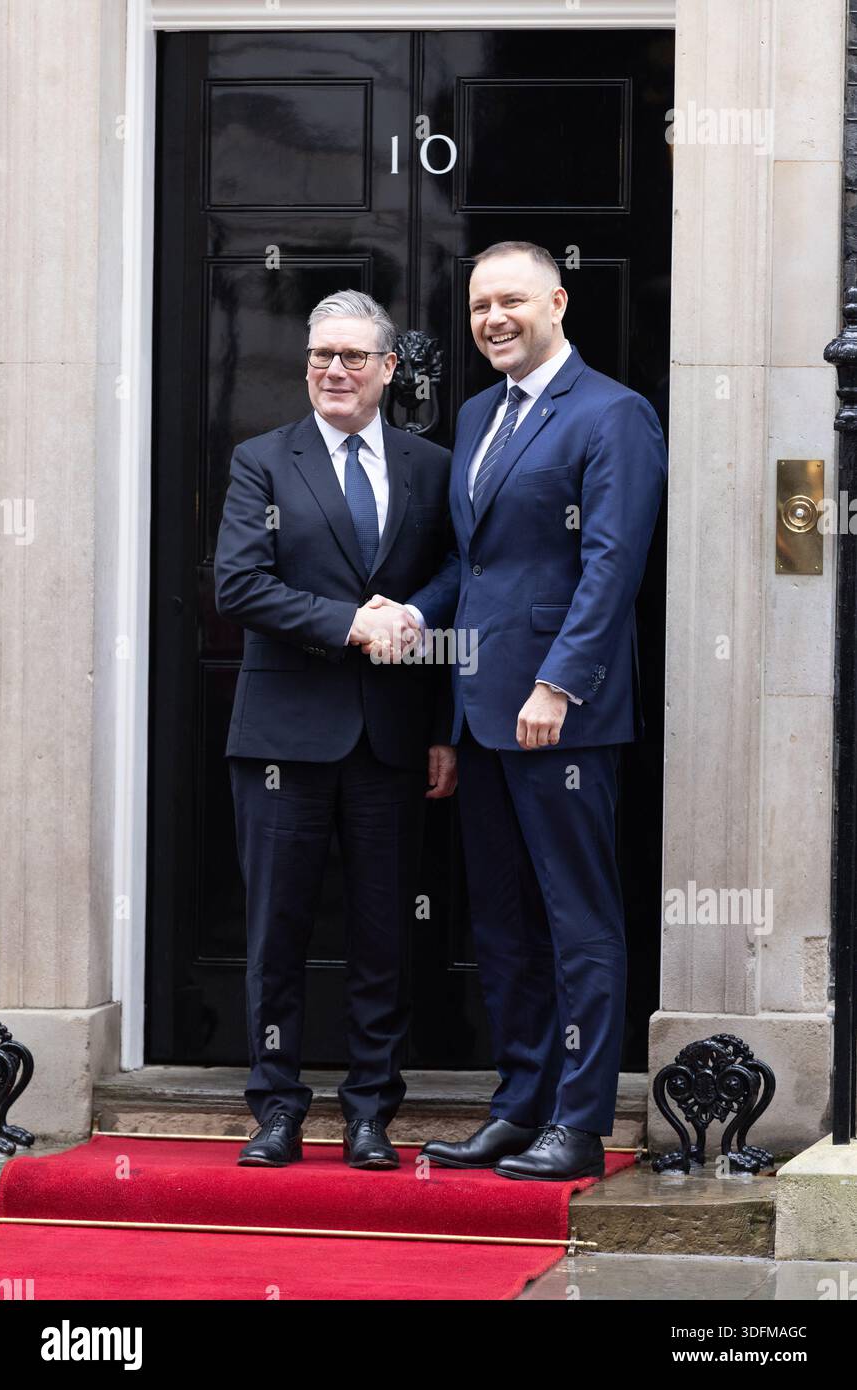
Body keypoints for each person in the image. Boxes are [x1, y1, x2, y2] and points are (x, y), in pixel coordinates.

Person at [405, 241, 667, 1180]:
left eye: (511, 300)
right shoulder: (477, 416)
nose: (493, 320)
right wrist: (418, 631)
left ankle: (581, 1119)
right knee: (505, 922)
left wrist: (558, 683)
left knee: (577, 916)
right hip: (480, 715)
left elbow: (611, 565)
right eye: (480, 306)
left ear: (558, 301)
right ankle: (519, 1107)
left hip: (565, 716)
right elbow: (470, 575)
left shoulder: (614, 414)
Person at [214, 289, 457, 1171]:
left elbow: (455, 576)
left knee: (384, 932)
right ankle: (275, 1107)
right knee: (277, 930)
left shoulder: (428, 467)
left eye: (354, 357)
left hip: (392, 740)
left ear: (388, 370)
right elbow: (238, 586)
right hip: (283, 740)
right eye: (322, 356)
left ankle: (369, 1112)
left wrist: (428, 668)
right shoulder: (262, 462)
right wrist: (351, 623)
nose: (335, 372)